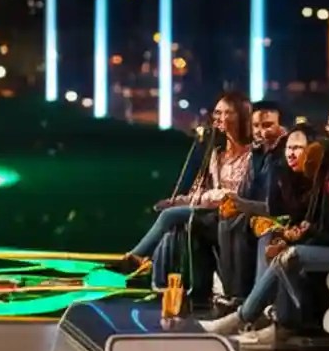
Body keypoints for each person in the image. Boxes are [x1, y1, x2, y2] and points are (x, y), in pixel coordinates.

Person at [200, 132, 329, 341]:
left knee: (291, 256)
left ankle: (243, 318)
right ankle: (272, 320)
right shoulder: (324, 181)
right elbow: (313, 224)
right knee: (282, 249)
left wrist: (298, 240)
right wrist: (291, 237)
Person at [105, 92, 254, 283]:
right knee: (171, 223)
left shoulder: (252, 156)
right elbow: (202, 193)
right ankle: (161, 285)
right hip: (210, 213)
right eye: (218, 113)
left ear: (242, 116)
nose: (221, 118)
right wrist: (177, 201)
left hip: (235, 216)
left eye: (228, 113)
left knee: (170, 216)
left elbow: (232, 195)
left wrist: (206, 199)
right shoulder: (216, 154)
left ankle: (136, 257)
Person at [215, 100, 287, 308]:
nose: (261, 131)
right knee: (223, 218)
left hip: (278, 214)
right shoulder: (257, 153)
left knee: (237, 220)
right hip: (257, 210)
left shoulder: (284, 154)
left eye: (268, 125)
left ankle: (243, 298)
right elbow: (247, 190)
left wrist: (241, 204)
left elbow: (276, 204)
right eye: (256, 126)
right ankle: (232, 294)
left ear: (281, 127)